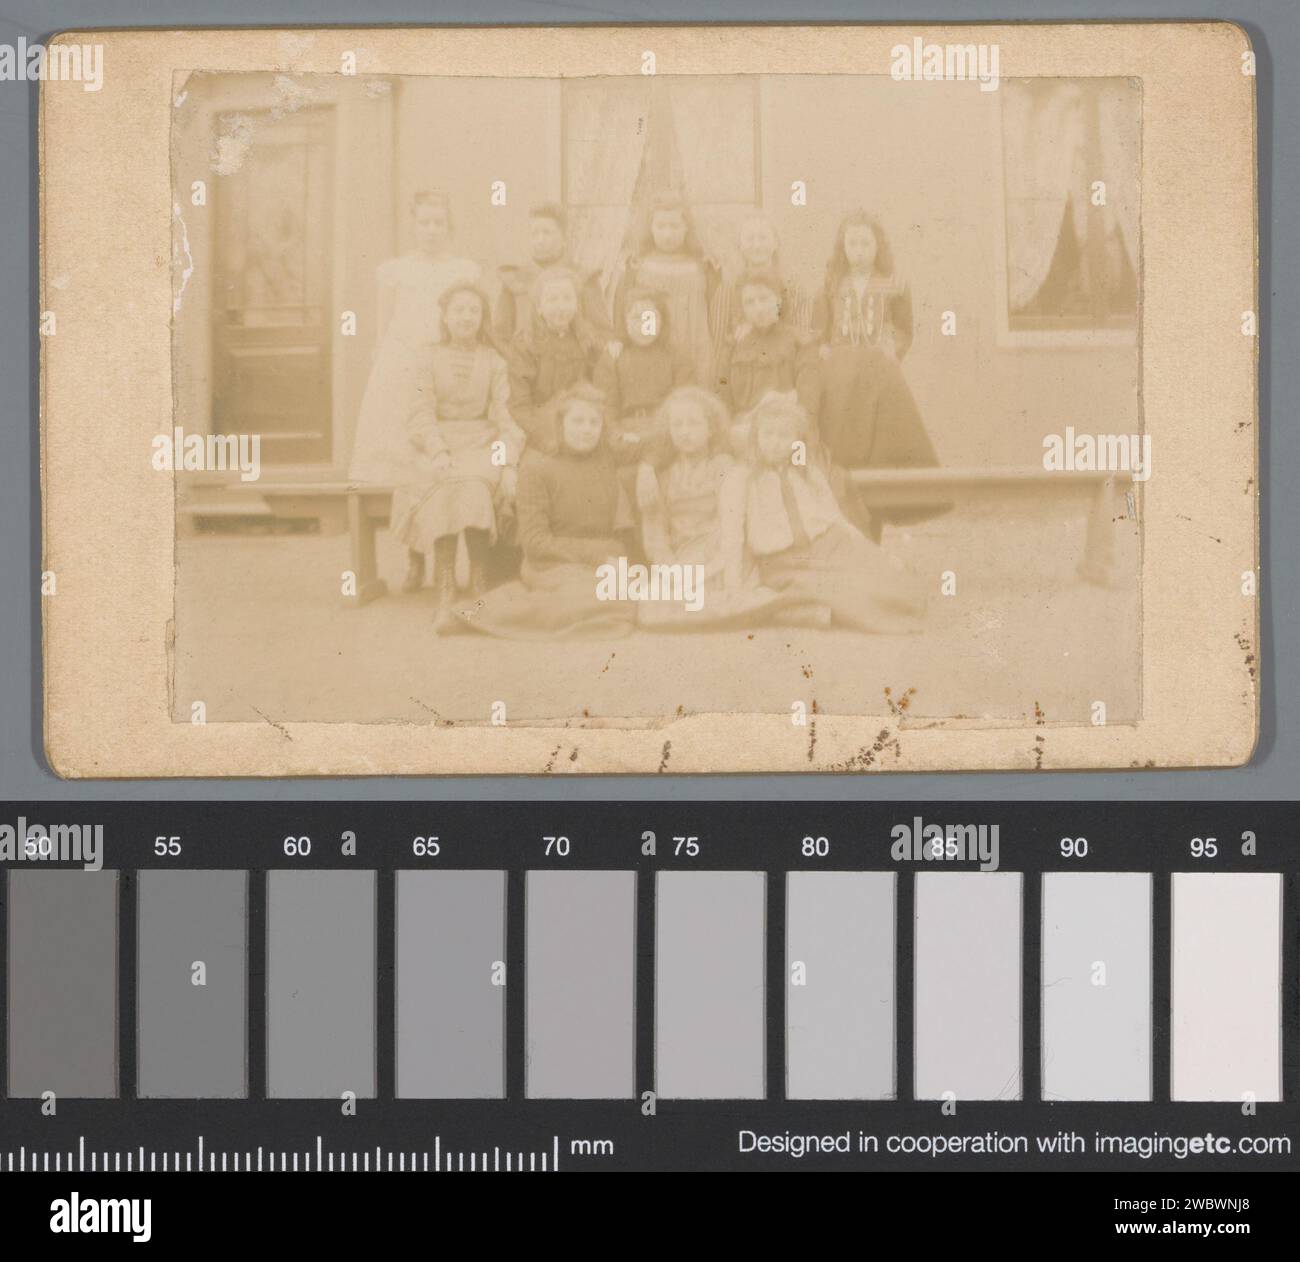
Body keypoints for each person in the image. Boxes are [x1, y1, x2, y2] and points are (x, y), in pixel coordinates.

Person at [719, 392, 926, 633]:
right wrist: (732, 586)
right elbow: (732, 535)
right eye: (768, 434)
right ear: (756, 438)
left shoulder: (809, 473)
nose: (775, 443)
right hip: (784, 561)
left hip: (826, 545)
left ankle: (887, 599)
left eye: (783, 436)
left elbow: (834, 517)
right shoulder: (741, 478)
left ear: (797, 441)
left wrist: (868, 549)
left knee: (884, 575)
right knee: (840, 593)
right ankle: (820, 611)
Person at [444, 383, 638, 639]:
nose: (586, 430)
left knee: (625, 597)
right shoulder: (536, 467)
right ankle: (475, 615)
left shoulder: (604, 461)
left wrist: (613, 558)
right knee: (607, 602)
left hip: (595, 562)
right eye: (577, 421)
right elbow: (535, 543)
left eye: (594, 422)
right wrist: (599, 555)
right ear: (560, 424)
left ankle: (529, 600)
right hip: (548, 565)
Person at [389, 282, 525, 622]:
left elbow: (507, 415)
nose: (466, 317)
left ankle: (478, 581)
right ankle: (446, 585)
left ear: (483, 318)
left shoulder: (494, 360)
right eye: (459, 310)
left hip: (482, 442)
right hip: (433, 444)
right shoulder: (427, 357)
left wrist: (507, 460)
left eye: (474, 311)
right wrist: (437, 450)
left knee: (477, 483)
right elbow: (420, 411)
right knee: (445, 482)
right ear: (446, 317)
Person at [612, 192, 720, 387]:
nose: (667, 234)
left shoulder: (701, 265)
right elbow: (622, 305)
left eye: (674, 226)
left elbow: (716, 305)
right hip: (654, 343)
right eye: (661, 226)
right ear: (650, 229)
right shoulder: (637, 266)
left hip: (694, 340)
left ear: (687, 228)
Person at [505, 267, 604, 456]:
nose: (561, 307)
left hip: (581, 421)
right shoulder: (526, 344)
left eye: (567, 298)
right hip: (541, 424)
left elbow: (600, 386)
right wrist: (544, 436)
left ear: (577, 304)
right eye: (553, 299)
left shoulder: (588, 338)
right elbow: (520, 406)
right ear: (539, 307)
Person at [593, 287, 693, 468]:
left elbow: (682, 402)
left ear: (662, 321)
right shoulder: (613, 356)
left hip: (664, 431)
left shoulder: (676, 356)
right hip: (626, 430)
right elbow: (606, 406)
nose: (644, 325)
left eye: (651, 318)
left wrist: (661, 433)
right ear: (625, 321)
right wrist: (618, 434)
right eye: (636, 317)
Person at [494, 202, 612, 343]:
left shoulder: (584, 277)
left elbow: (602, 334)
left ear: (564, 238)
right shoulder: (515, 280)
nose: (540, 240)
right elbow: (500, 336)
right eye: (534, 234)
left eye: (547, 233)